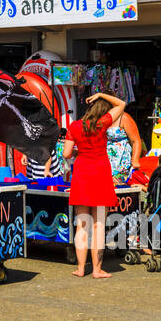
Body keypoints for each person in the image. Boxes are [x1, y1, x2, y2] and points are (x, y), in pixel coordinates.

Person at [61, 92, 128, 279]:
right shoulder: (103, 123)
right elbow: (122, 104)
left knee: (82, 224)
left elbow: (66, 154)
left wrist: (77, 152)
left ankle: (81, 268)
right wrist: (100, 94)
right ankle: (97, 270)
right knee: (98, 225)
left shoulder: (74, 126)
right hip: (100, 173)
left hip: (82, 173)